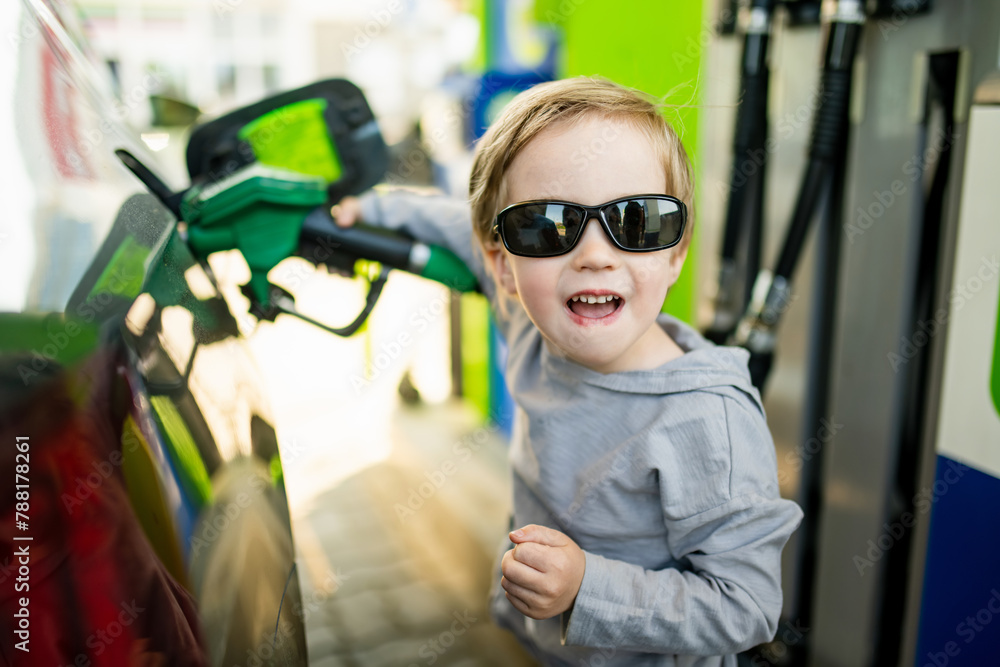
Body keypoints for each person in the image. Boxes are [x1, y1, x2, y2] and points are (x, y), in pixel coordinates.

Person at [332, 76, 803, 666]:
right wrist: (367, 212)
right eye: (547, 226)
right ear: (502, 264)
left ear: (676, 253)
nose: (596, 255)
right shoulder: (530, 325)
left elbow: (746, 606)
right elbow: (460, 225)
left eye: (637, 220)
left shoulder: (707, 419)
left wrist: (586, 587)